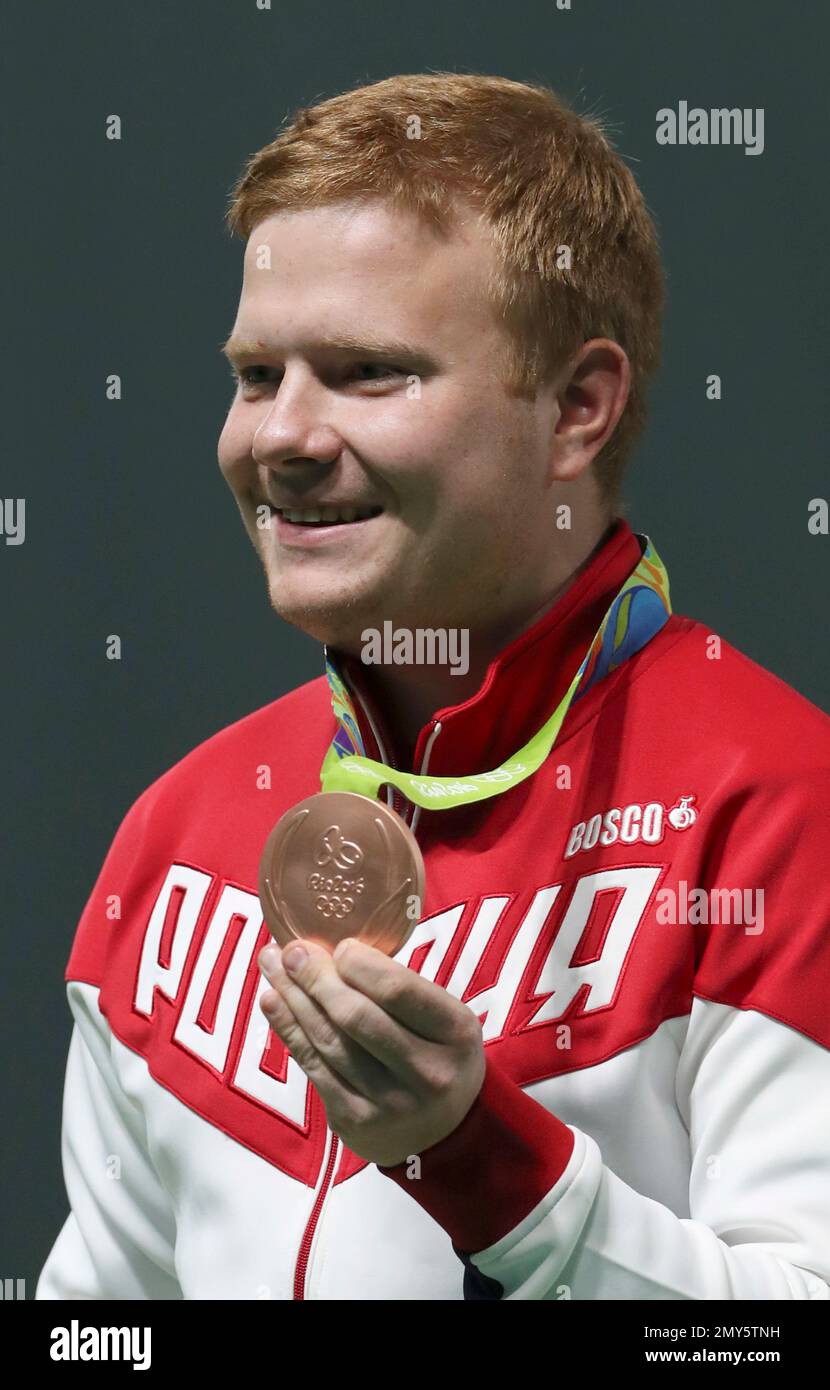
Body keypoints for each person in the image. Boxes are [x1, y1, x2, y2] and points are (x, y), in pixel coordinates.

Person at [37, 72, 830, 1301]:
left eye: (365, 371)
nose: (279, 439)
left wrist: (480, 1164)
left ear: (575, 409)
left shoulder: (777, 804)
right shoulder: (176, 833)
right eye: (257, 375)